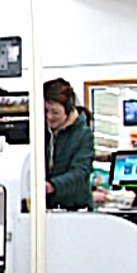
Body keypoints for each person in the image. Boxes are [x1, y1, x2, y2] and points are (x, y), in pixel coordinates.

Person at [42, 77, 95, 211]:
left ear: (69, 109)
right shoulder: (41, 132)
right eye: (45, 111)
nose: (49, 117)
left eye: (55, 112)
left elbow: (80, 172)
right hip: (47, 209)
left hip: (76, 209)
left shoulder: (84, 134)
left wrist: (52, 186)